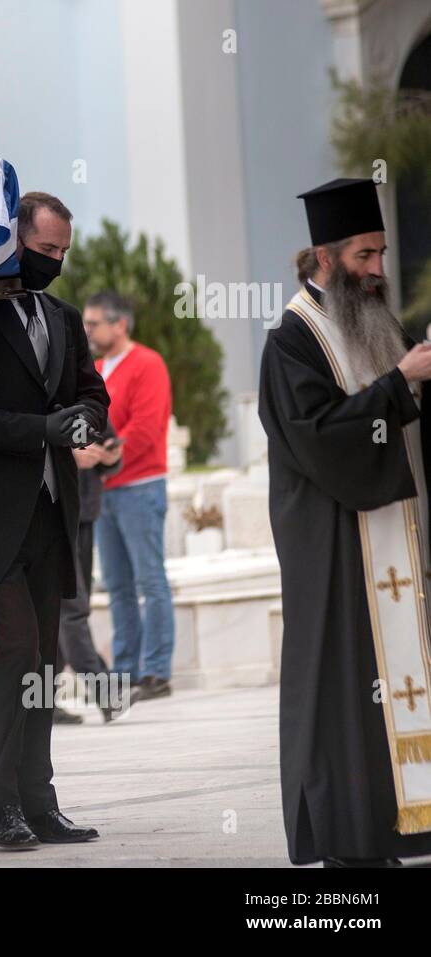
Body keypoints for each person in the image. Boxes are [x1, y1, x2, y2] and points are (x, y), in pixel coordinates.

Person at [259, 177, 431, 867]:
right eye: (365, 255)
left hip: (389, 534)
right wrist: (400, 383)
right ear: (324, 258)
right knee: (344, 687)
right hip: (333, 545)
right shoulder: (292, 342)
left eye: (382, 253)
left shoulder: (374, 324)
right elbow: (320, 436)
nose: (378, 270)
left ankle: (395, 826)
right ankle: (348, 840)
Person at [0, 191, 108, 850]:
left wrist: (87, 417)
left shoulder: (63, 318)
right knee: (11, 657)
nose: (56, 262)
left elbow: (92, 389)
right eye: (45, 250)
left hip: (49, 514)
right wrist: (42, 428)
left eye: (63, 252)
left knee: (41, 662)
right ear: (16, 242)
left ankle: (41, 802)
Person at [83, 291, 176, 701]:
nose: (87, 330)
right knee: (118, 586)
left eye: (94, 324)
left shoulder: (147, 364)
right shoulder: (99, 369)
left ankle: (155, 672)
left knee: (150, 580)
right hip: (106, 491)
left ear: (119, 324)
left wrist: (108, 454)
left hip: (140, 487)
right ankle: (125, 671)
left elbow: (147, 425)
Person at [55, 420, 124, 722]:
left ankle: (43, 703)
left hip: (84, 513)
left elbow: (107, 442)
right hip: (54, 515)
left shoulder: (83, 393)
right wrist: (69, 455)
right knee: (71, 609)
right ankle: (106, 694)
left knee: (60, 611)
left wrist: (111, 457)